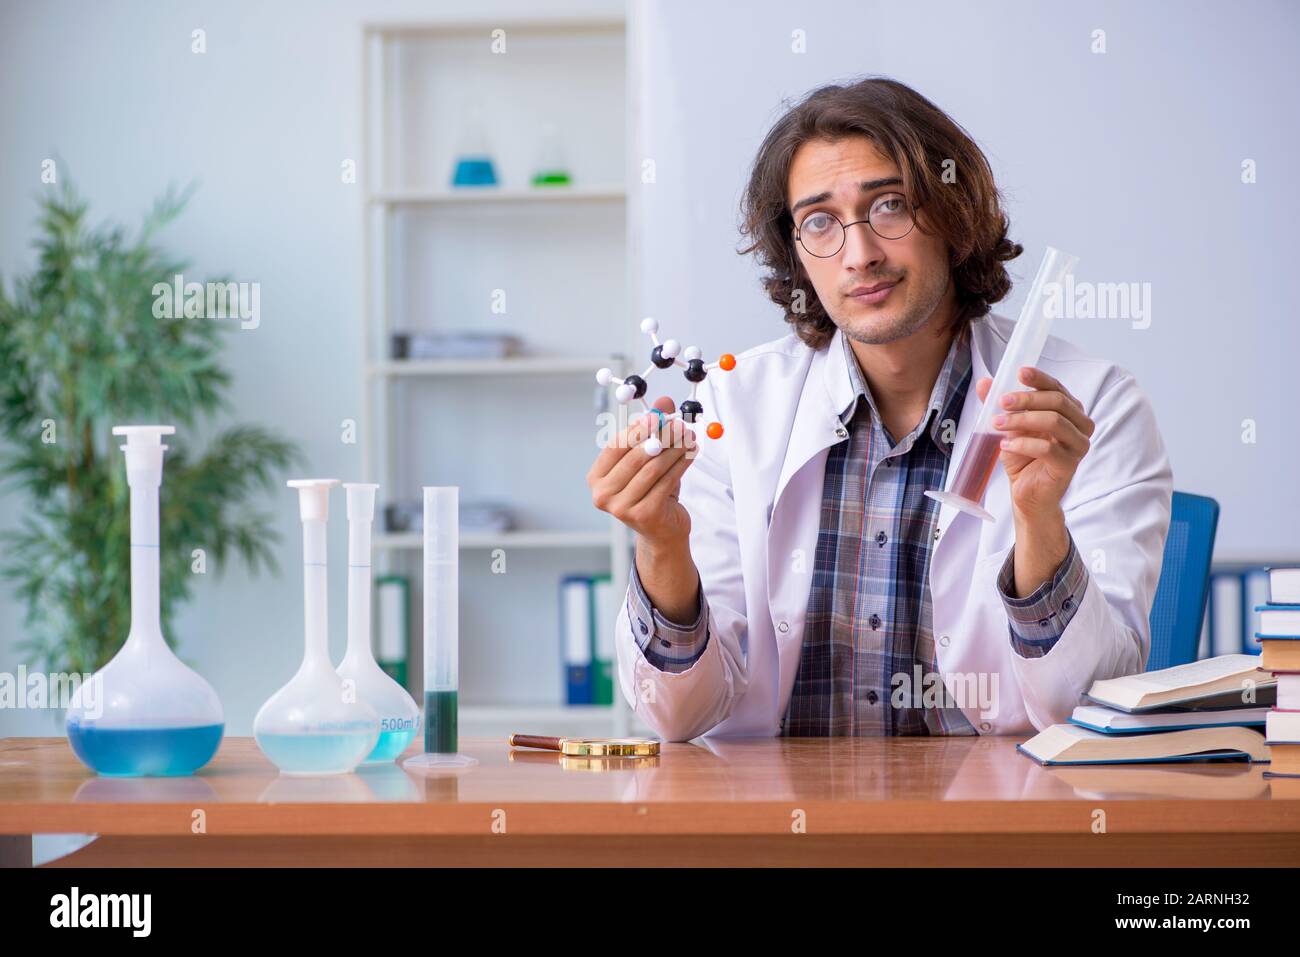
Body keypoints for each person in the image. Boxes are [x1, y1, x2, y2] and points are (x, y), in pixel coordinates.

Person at [586, 77, 1172, 741]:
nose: (860, 255)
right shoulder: (731, 407)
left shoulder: (1089, 407)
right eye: (819, 221)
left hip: (997, 805)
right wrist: (662, 544)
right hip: (778, 808)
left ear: (953, 215)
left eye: (890, 206)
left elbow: (1087, 710)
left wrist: (1038, 519)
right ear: (795, 249)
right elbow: (679, 715)